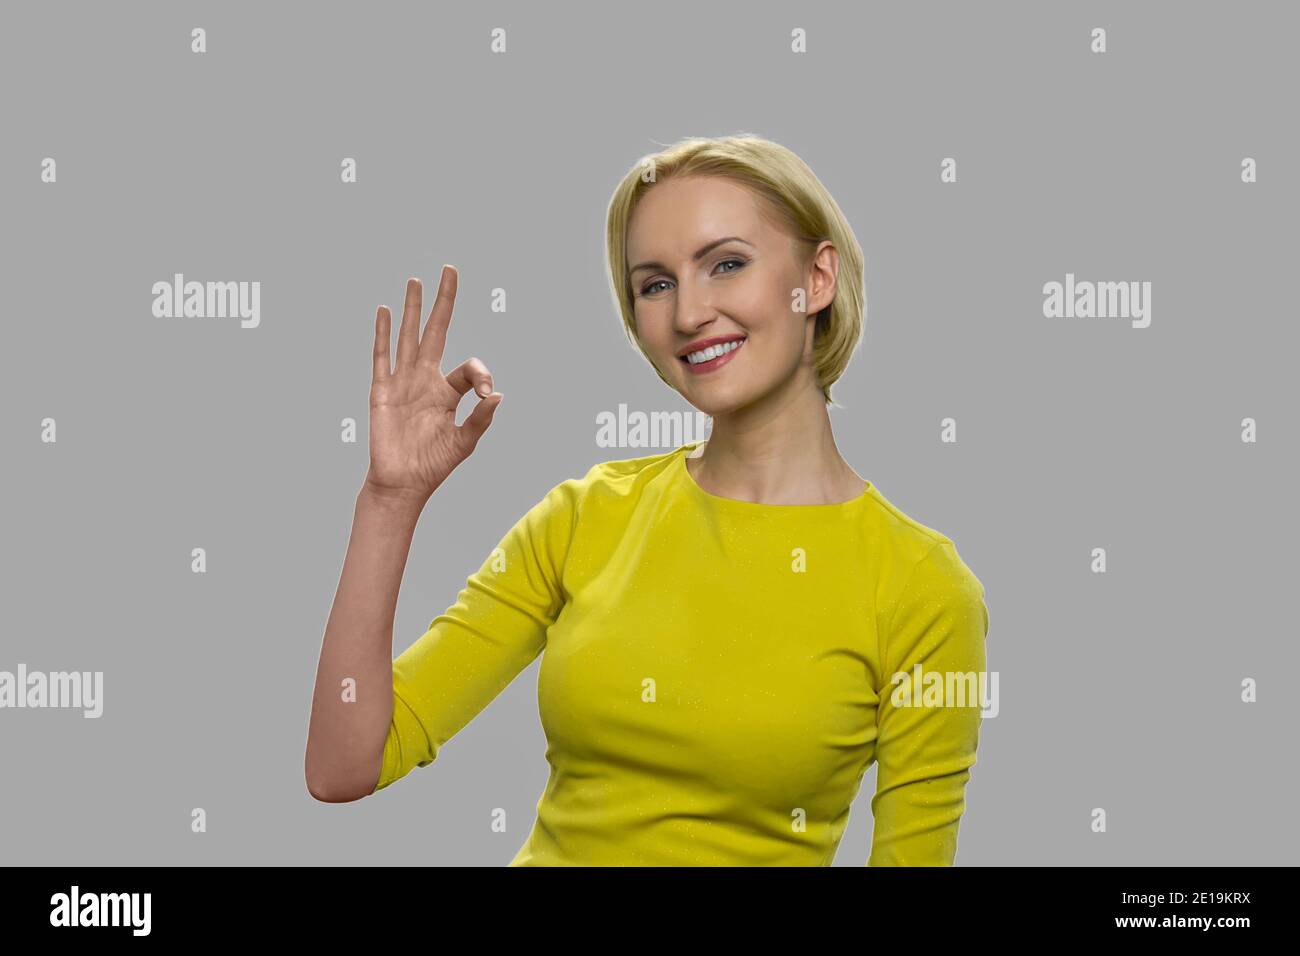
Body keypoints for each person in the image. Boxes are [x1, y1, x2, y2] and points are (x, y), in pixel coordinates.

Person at [304, 134, 990, 866]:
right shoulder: (584, 516)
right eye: (655, 284)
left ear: (816, 278)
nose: (690, 313)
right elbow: (344, 765)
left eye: (726, 263)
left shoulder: (921, 587)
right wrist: (389, 499)